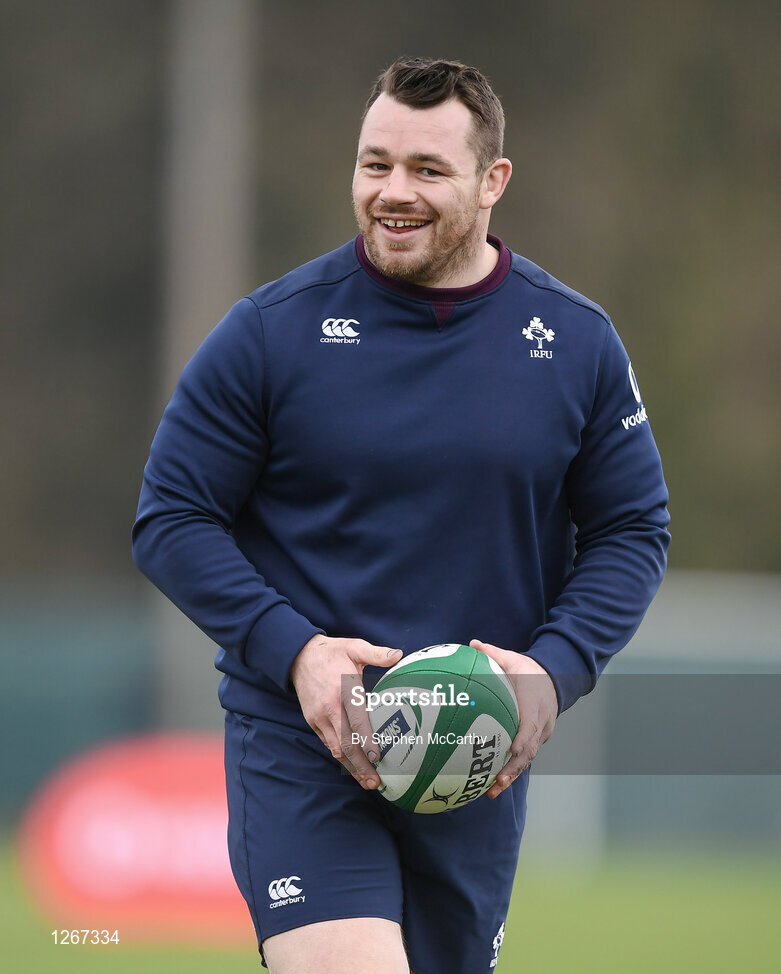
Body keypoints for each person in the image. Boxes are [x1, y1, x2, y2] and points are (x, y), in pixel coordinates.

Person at [133, 57, 670, 974]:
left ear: (492, 181)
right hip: (302, 745)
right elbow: (171, 518)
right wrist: (297, 652)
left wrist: (552, 672)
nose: (392, 192)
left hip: (473, 759)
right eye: (374, 163)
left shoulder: (576, 341)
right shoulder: (270, 332)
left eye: (427, 169)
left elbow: (631, 530)